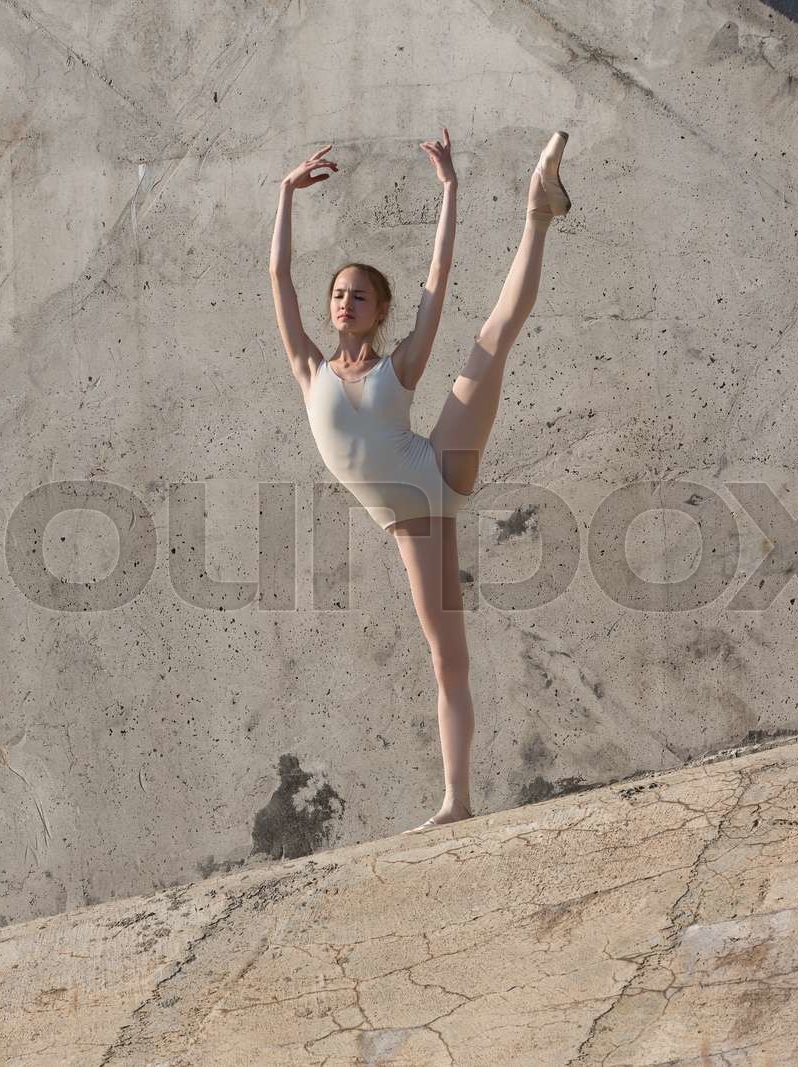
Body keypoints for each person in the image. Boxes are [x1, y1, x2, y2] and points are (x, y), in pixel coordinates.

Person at [268, 128, 573, 834]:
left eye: (361, 296)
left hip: (427, 491)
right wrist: (285, 192)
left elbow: (437, 280)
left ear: (379, 311)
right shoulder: (308, 369)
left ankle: (538, 209)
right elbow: (279, 277)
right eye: (340, 294)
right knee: (447, 659)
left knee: (494, 334)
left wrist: (450, 190)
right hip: (415, 509)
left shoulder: (396, 367)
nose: (346, 303)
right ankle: (458, 798)